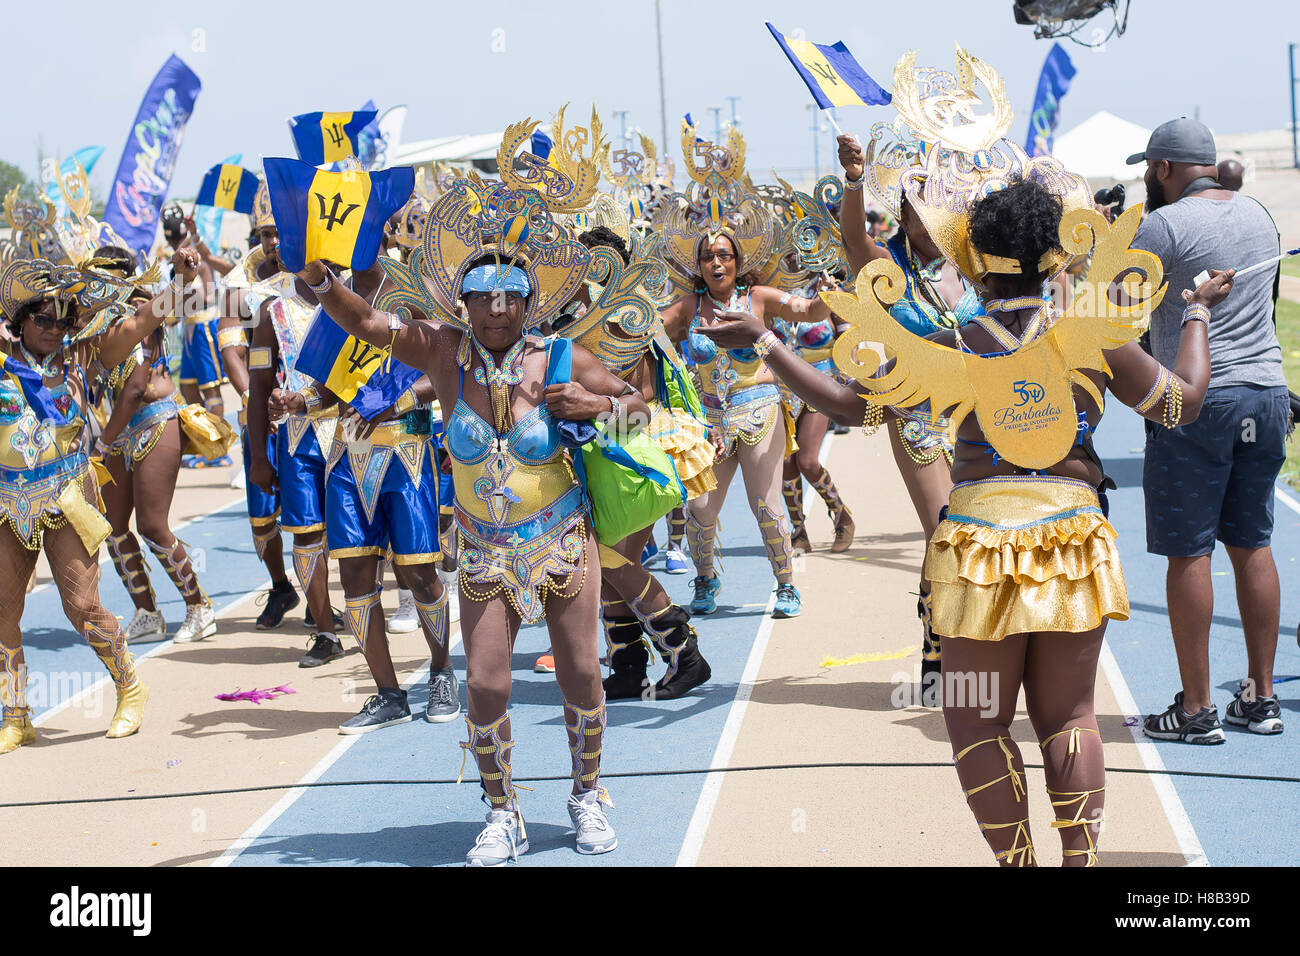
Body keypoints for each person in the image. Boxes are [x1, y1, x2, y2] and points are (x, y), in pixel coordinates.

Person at [304, 150, 644, 864]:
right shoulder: (442, 353)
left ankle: (586, 795)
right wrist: (326, 288)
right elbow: (370, 325)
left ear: (529, 300)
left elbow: (638, 408)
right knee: (487, 682)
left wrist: (593, 405)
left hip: (560, 539)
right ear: (461, 302)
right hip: (485, 549)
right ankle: (501, 811)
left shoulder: (558, 357)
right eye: (483, 296)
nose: (497, 308)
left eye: (510, 296)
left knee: (582, 669)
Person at [0, 200, 203, 753]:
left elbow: (141, 322)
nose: (56, 328)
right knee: (4, 610)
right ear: (19, 321)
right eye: (43, 318)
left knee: (81, 606)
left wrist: (178, 281)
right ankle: (16, 713)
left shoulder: (82, 357)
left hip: (68, 493)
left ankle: (129, 686)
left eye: (63, 318)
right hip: (7, 500)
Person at [1129, 118, 1289, 741]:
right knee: (1253, 542)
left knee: (1189, 549)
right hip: (1267, 393)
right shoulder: (1260, 214)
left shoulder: (1163, 225)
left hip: (1197, 400)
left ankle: (1197, 709)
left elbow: (1113, 307)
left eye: (1150, 167)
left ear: (1165, 167)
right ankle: (1261, 696)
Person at [657, 120, 839, 619]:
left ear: (738, 261)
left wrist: (828, 293)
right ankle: (705, 579)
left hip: (758, 408)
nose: (717, 262)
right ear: (697, 265)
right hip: (708, 420)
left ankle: (784, 586)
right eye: (708, 256)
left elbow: (806, 311)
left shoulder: (757, 298)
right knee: (698, 511)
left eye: (725, 254)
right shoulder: (686, 308)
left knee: (765, 505)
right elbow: (644, 334)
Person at [271, 255, 457, 730]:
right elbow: (332, 387)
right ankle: (389, 693)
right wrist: (300, 400)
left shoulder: (419, 290)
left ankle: (441, 671)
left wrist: (400, 400)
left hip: (407, 450)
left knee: (419, 574)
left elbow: (448, 363)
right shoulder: (336, 300)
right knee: (355, 575)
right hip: (347, 455)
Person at [836, 126, 986, 702]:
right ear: (901, 210)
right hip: (916, 412)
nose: (931, 216)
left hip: (975, 413)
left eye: (941, 205)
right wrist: (855, 181)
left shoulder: (972, 265)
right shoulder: (886, 267)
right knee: (946, 528)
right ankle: (937, 649)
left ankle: (967, 641)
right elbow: (852, 239)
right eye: (919, 205)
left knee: (973, 529)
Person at [562, 225, 714, 701]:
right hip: (606, 449)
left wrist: (594, 405)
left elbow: (641, 394)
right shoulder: (583, 320)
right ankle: (628, 666)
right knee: (607, 561)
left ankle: (685, 653)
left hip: (635, 447)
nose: (587, 277)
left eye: (595, 267)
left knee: (611, 560)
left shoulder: (626, 319)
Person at [92, 245, 218, 644]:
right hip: (120, 431)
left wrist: (102, 443)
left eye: (103, 276)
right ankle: (147, 612)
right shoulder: (102, 321)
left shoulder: (139, 312)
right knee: (112, 528)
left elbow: (134, 390)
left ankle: (199, 606)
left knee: (152, 525)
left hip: (153, 424)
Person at [244, 184, 345, 666]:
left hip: (354, 431)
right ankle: (324, 629)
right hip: (298, 438)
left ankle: (387, 613)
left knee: (365, 539)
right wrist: (260, 458)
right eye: (279, 238)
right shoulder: (270, 310)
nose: (284, 247)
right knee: (306, 533)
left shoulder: (355, 296)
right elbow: (259, 386)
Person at [215, 192, 300, 631]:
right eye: (266, 234)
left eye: (279, 233)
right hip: (260, 414)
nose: (273, 242)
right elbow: (231, 349)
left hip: (312, 413)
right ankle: (281, 585)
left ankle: (325, 606)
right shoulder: (238, 283)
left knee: (314, 515)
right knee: (262, 515)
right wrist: (257, 400)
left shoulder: (314, 270)